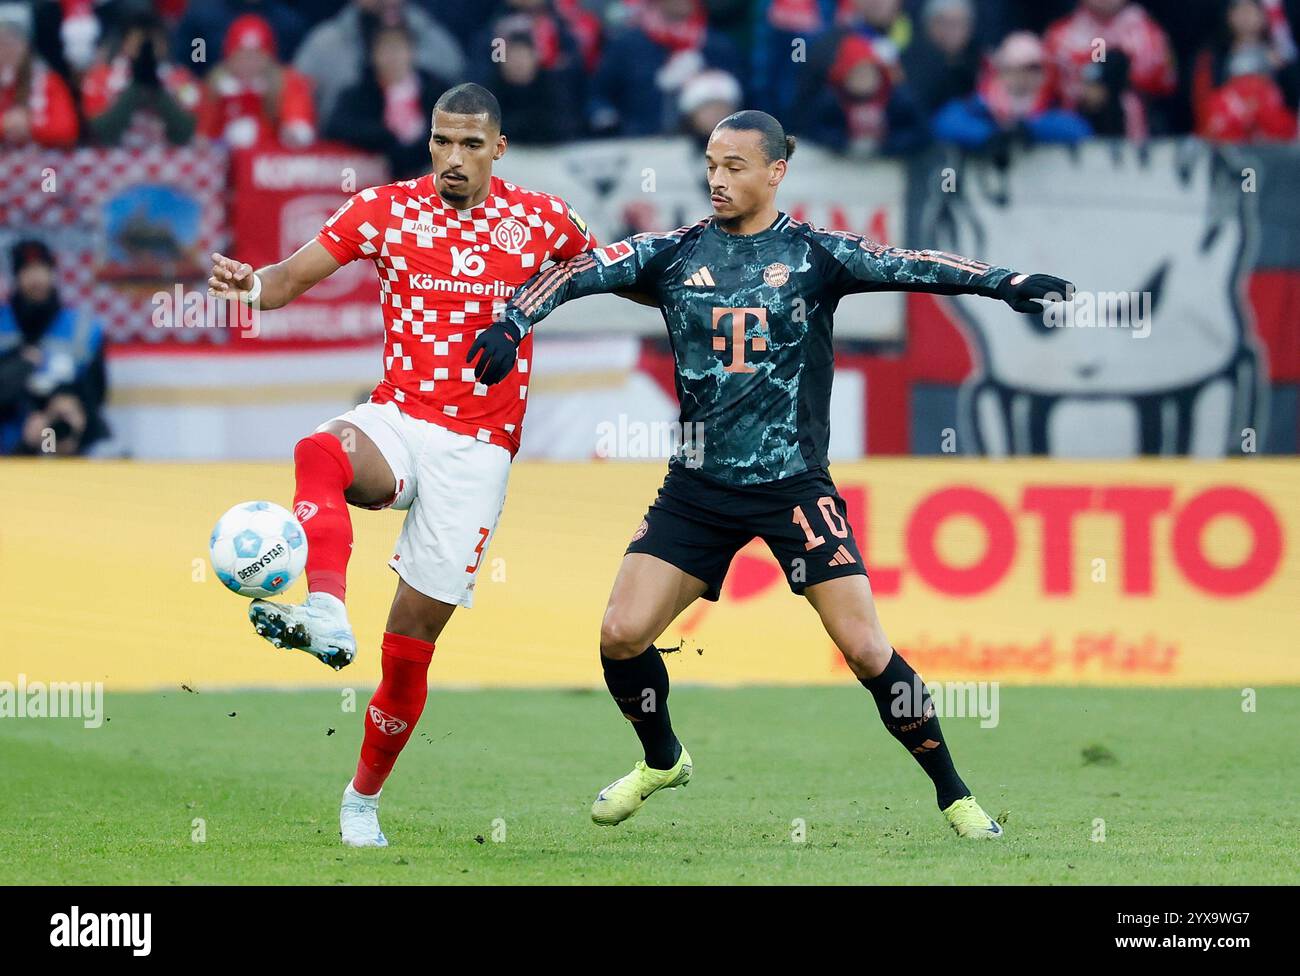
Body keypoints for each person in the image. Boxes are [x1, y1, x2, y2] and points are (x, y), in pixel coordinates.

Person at [469, 110, 1073, 839]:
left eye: (735, 167)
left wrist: (1007, 283)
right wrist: (511, 321)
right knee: (621, 634)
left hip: (794, 491)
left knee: (864, 648)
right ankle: (663, 759)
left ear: (775, 172)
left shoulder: (819, 255)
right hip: (695, 491)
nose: (717, 180)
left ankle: (955, 797)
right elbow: (576, 271)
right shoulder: (674, 253)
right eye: (711, 165)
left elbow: (915, 264)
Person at [205, 84, 597, 848]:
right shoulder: (384, 209)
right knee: (319, 450)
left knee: (410, 649)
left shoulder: (546, 220)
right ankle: (322, 610)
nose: (452, 158)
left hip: (478, 452)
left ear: (499, 150)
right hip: (400, 418)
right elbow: (286, 280)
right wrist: (248, 284)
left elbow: (601, 269)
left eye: (470, 145)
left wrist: (526, 317)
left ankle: (361, 800)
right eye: (441, 141)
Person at [0, 241, 108, 456]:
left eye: (42, 270)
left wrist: (69, 404)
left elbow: (97, 390)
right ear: (16, 276)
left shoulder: (83, 328)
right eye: (28, 271)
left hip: (69, 442)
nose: (36, 278)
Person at [293, 0, 465, 125]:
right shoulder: (322, 46)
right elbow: (294, 110)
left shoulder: (437, 45)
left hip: (425, 168)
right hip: (340, 166)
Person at [324, 23, 452, 179]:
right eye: (385, 50)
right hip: (375, 179)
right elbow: (336, 126)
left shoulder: (437, 90)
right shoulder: (359, 93)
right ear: (373, 55)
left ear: (411, 52)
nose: (392, 58)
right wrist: (384, 137)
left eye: (398, 49)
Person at [932, 32, 1092, 153]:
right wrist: (990, 136)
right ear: (1001, 71)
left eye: (1034, 69)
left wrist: (1027, 129)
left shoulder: (1052, 102)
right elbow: (944, 124)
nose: (1024, 76)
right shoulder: (981, 103)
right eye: (1016, 68)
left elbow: (1079, 129)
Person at [80, 7, 203, 147]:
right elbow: (102, 133)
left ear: (165, 45)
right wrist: (135, 86)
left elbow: (185, 134)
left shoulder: (182, 80)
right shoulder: (100, 79)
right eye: (139, 42)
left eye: (153, 42)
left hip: (168, 162)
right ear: (125, 43)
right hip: (116, 161)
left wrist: (157, 89)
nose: (146, 49)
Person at [198, 13, 316, 150]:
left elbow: (297, 114)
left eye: (256, 57)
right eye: (242, 56)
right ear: (229, 57)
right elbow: (203, 129)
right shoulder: (215, 85)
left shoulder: (285, 82)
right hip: (224, 160)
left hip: (267, 159)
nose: (249, 64)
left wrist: (295, 131)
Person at [0, 2, 77, 148]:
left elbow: (67, 130)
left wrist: (30, 126)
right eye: (1, 44)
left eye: (14, 43)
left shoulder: (48, 81)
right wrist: (4, 124)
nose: (7, 50)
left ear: (27, 47)